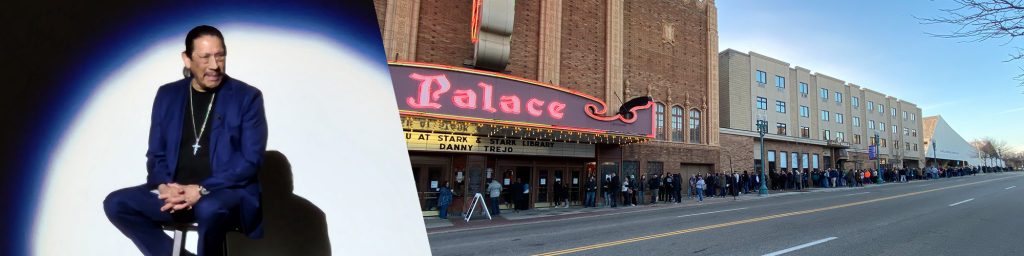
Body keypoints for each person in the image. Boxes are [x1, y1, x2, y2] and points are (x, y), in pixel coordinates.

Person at [103, 25, 266, 256]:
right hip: (177, 195)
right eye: (205, 57)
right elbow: (156, 154)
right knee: (117, 203)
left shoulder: (247, 97)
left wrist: (201, 189)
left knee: (209, 209)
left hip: (223, 194)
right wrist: (164, 186)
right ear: (187, 59)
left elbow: (251, 160)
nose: (214, 65)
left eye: (220, 56)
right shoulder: (167, 95)